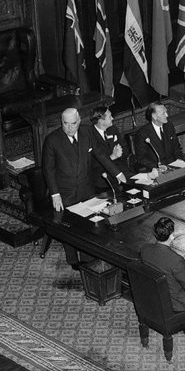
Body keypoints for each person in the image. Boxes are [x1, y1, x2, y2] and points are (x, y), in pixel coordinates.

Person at [43, 107, 96, 270]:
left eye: (73, 124)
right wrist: (55, 194)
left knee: (87, 224)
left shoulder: (87, 133)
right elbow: (48, 170)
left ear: (79, 121)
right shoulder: (52, 140)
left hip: (85, 189)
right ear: (61, 122)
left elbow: (98, 154)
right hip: (64, 191)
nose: (70, 128)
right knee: (68, 227)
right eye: (66, 124)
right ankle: (72, 259)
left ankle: (88, 258)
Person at [134, 101, 185, 171]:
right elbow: (141, 158)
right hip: (157, 169)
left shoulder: (169, 126)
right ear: (154, 116)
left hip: (174, 166)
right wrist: (157, 166)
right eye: (163, 113)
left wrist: (179, 160)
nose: (167, 115)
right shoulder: (143, 133)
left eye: (166, 112)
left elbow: (176, 147)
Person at [88, 107, 129, 192]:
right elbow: (91, 164)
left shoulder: (113, 129)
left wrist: (120, 153)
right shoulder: (89, 135)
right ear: (101, 121)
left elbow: (126, 150)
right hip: (103, 177)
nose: (112, 118)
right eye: (110, 116)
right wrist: (112, 157)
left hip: (121, 169)